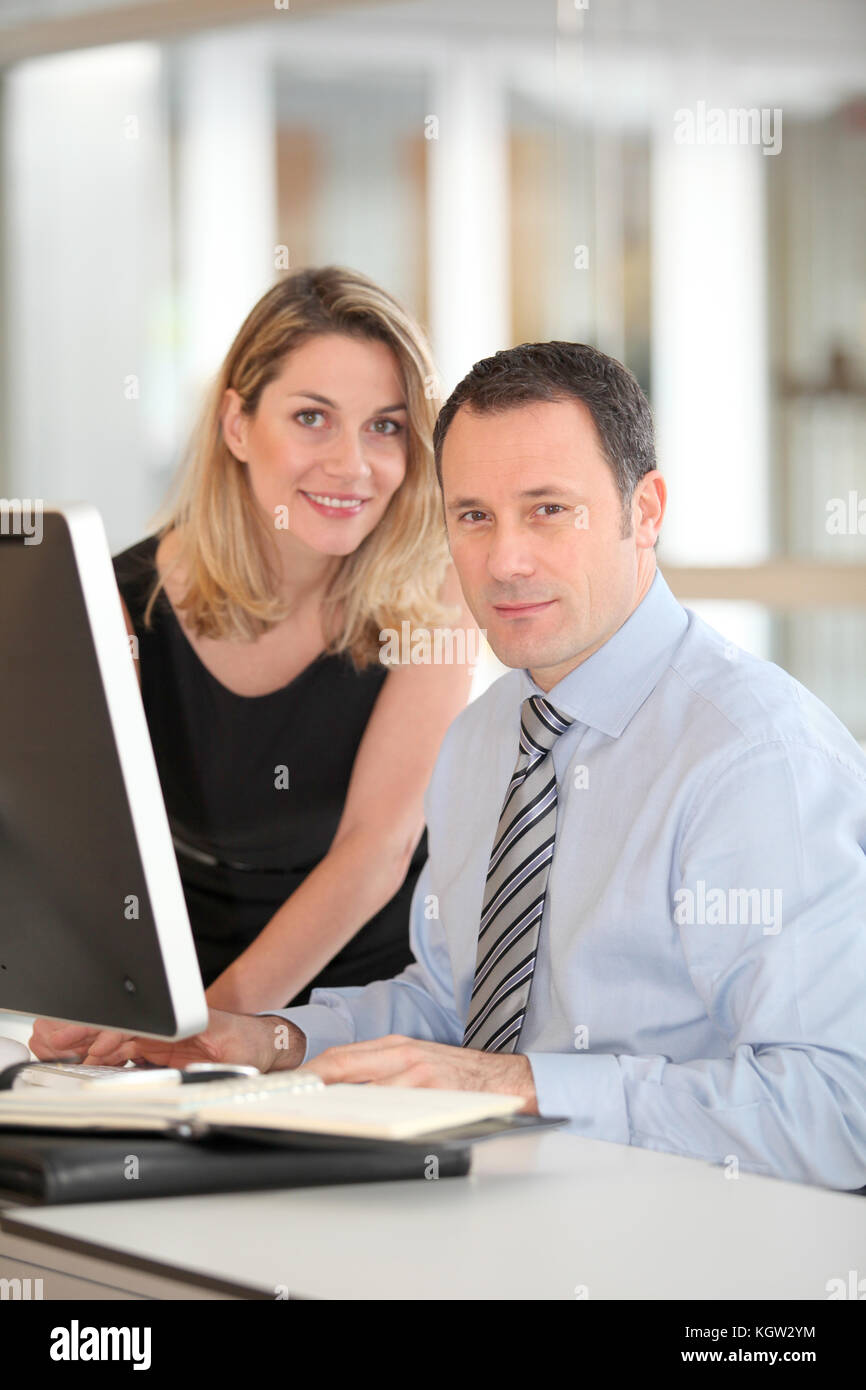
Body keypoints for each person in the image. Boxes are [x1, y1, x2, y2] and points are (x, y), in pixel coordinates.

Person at [33, 342, 866, 1192]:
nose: (505, 561)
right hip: (499, 1208)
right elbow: (445, 1006)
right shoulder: (484, 737)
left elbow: (839, 1111)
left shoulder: (757, 761)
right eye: (473, 516)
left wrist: (515, 1086)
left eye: (548, 510)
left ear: (644, 510)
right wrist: (267, 1039)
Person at [109, 265, 476, 1012]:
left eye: (386, 426)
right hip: (177, 989)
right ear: (237, 424)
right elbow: (84, 847)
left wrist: (225, 1027)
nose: (352, 464)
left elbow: (379, 849)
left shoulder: (436, 593)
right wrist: (133, 1012)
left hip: (373, 1000)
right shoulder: (121, 601)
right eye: (312, 417)